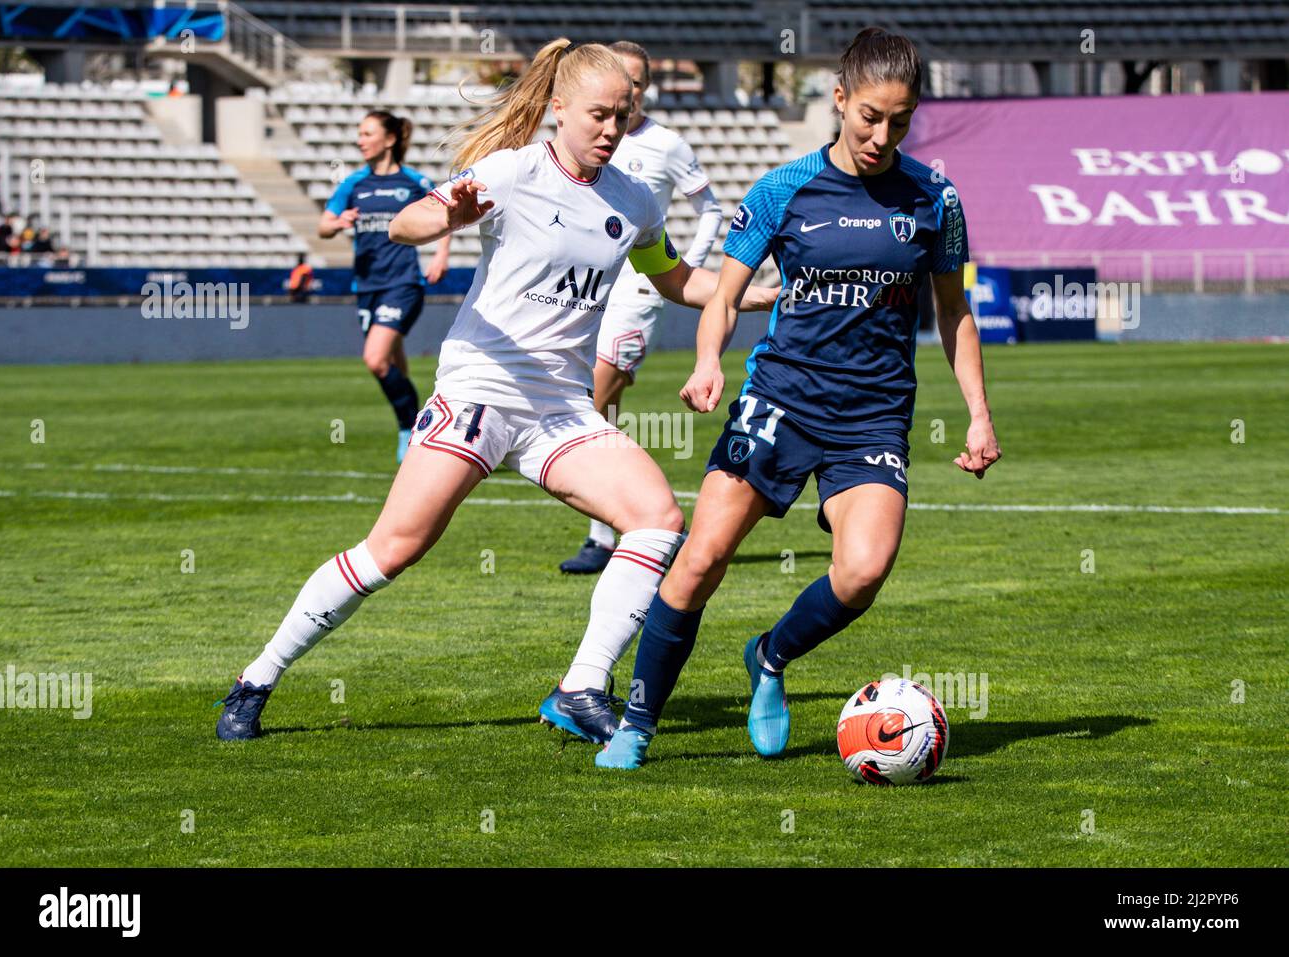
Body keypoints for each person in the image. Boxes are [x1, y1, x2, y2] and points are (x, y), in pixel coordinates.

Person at [214, 38, 777, 744]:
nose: (611, 129)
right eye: (598, 114)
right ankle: (255, 678)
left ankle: (580, 685)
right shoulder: (513, 172)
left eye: (623, 114)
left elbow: (674, 279)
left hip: (560, 409)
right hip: (480, 389)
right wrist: (445, 215)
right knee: (393, 548)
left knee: (659, 519)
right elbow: (405, 220)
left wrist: (752, 293)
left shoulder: (632, 199)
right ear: (558, 108)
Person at [597, 27, 1003, 769]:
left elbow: (954, 311)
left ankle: (770, 657)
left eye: (901, 121)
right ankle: (637, 723)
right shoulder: (782, 189)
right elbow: (722, 296)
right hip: (779, 401)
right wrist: (707, 361)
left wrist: (978, 412)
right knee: (700, 559)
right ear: (839, 99)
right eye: (870, 116)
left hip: (874, 414)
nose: (883, 135)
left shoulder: (935, 198)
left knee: (863, 572)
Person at [558, 40, 724, 574]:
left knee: (601, 390)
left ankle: (603, 531)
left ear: (643, 88)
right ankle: (622, 522)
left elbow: (710, 209)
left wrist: (683, 270)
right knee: (594, 400)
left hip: (639, 289)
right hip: (591, 285)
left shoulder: (667, 145)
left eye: (630, 82)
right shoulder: (582, 143)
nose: (621, 90)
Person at [320, 110, 452, 462]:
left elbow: (445, 212)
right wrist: (337, 224)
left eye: (367, 133)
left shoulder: (413, 182)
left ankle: (411, 426)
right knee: (394, 361)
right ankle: (423, 431)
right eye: (359, 134)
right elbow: (323, 225)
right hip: (366, 285)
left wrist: (440, 255)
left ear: (389, 139)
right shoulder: (353, 184)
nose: (360, 140)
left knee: (376, 360)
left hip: (403, 283)